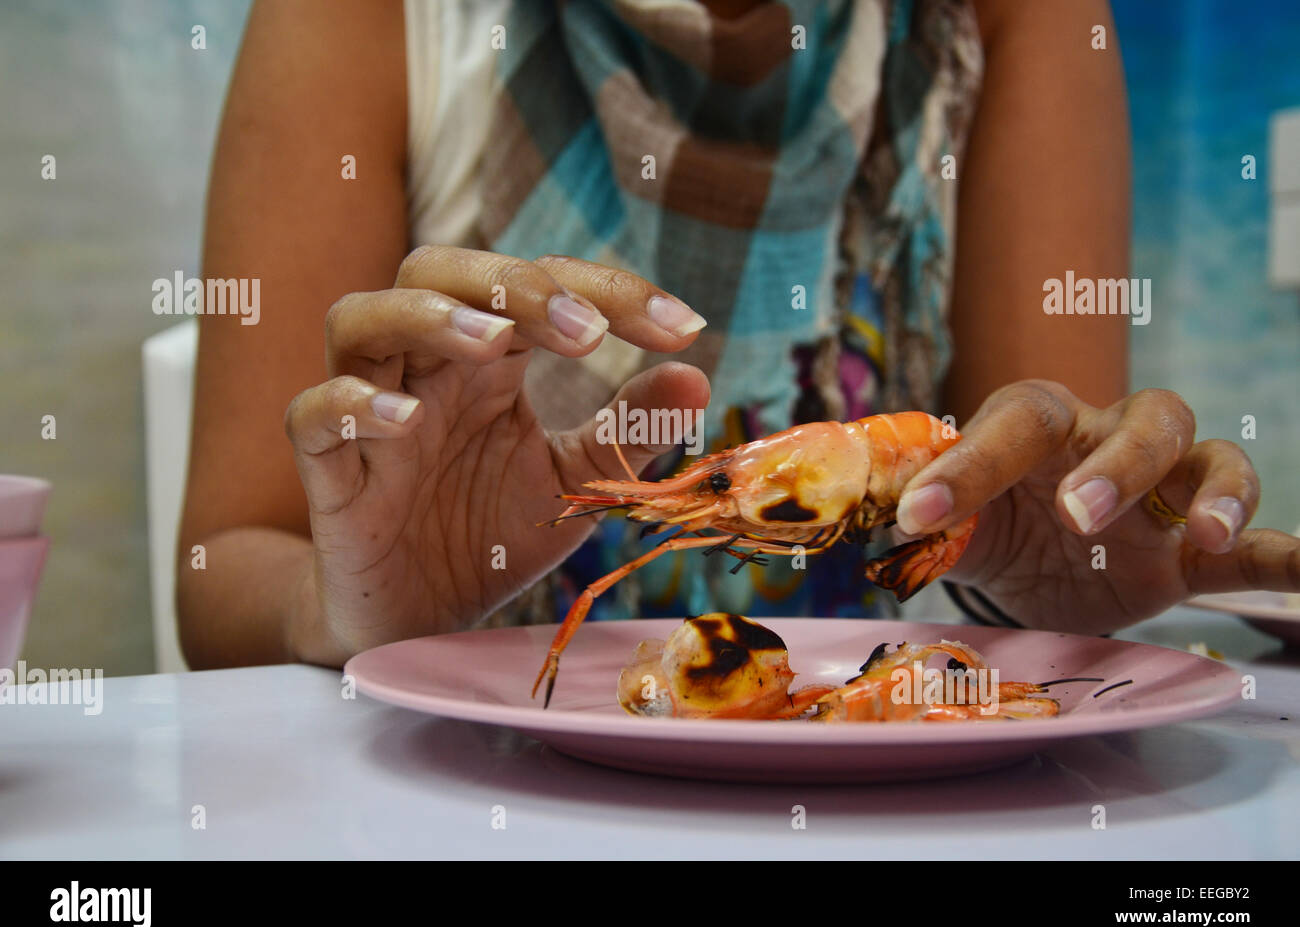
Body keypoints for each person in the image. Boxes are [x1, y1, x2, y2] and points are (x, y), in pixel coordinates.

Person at [177, 0, 1298, 671]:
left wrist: (1051, 564)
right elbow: (221, 561)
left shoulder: (1023, 20)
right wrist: (353, 600)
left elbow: (1044, 485)